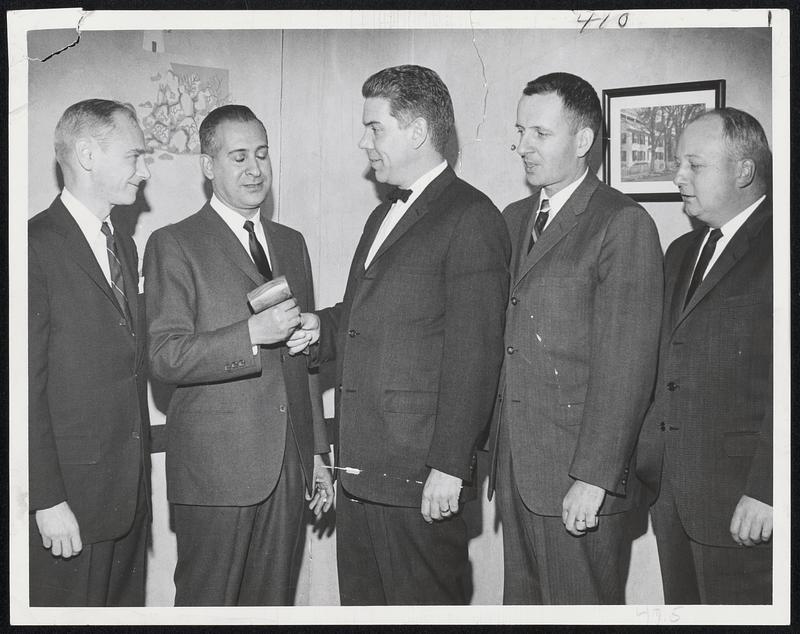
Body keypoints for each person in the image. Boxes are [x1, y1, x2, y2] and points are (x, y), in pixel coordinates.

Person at [289, 65, 511, 605]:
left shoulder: (472, 217)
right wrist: (326, 325)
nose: (362, 142)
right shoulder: (380, 215)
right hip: (361, 471)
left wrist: (449, 466)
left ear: (416, 133)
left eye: (374, 128)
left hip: (419, 477)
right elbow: (367, 316)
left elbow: (475, 355)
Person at [143, 104, 333, 606]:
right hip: (215, 475)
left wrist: (316, 453)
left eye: (263, 155)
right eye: (239, 157)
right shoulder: (173, 243)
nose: (255, 169)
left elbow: (303, 359)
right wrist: (250, 332)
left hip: (288, 471)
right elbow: (164, 356)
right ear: (209, 166)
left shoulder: (290, 243)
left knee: (271, 610)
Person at [485, 72, 663, 604]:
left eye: (539, 132)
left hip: (577, 480)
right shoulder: (514, 218)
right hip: (516, 471)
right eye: (520, 131)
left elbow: (627, 367)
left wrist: (595, 477)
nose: (523, 146)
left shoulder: (622, 223)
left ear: (583, 141)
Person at [636, 107, 773, 604]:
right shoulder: (680, 251)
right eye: (679, 164)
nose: (678, 177)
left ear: (743, 171)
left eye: (695, 165)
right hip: (673, 497)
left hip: (744, 501)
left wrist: (769, 489)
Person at [28, 99, 152, 606]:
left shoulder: (123, 243)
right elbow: (23, 387)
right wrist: (47, 498)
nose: (144, 173)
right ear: (86, 155)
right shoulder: (32, 245)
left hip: (128, 501)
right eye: (134, 157)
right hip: (70, 505)